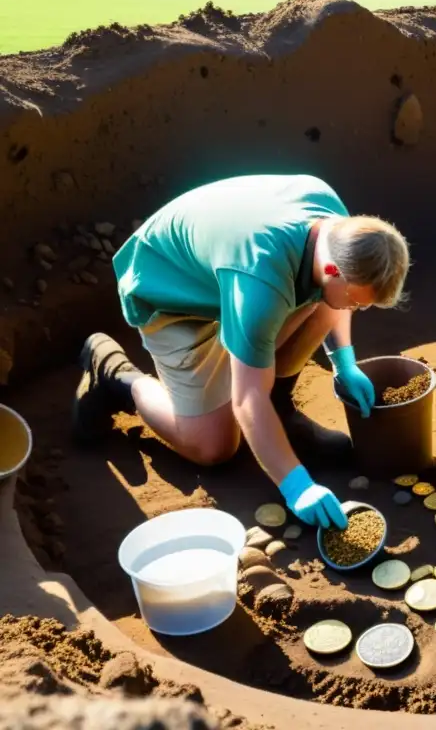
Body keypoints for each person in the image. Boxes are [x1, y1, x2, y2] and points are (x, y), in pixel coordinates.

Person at [72, 174, 410, 531]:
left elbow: (333, 302)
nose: (356, 310)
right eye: (358, 301)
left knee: (324, 301)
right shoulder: (262, 281)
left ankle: (278, 413)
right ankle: (114, 375)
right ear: (332, 267)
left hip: (232, 279)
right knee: (213, 446)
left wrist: (344, 362)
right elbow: (247, 397)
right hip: (170, 293)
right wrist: (297, 486)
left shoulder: (339, 228)